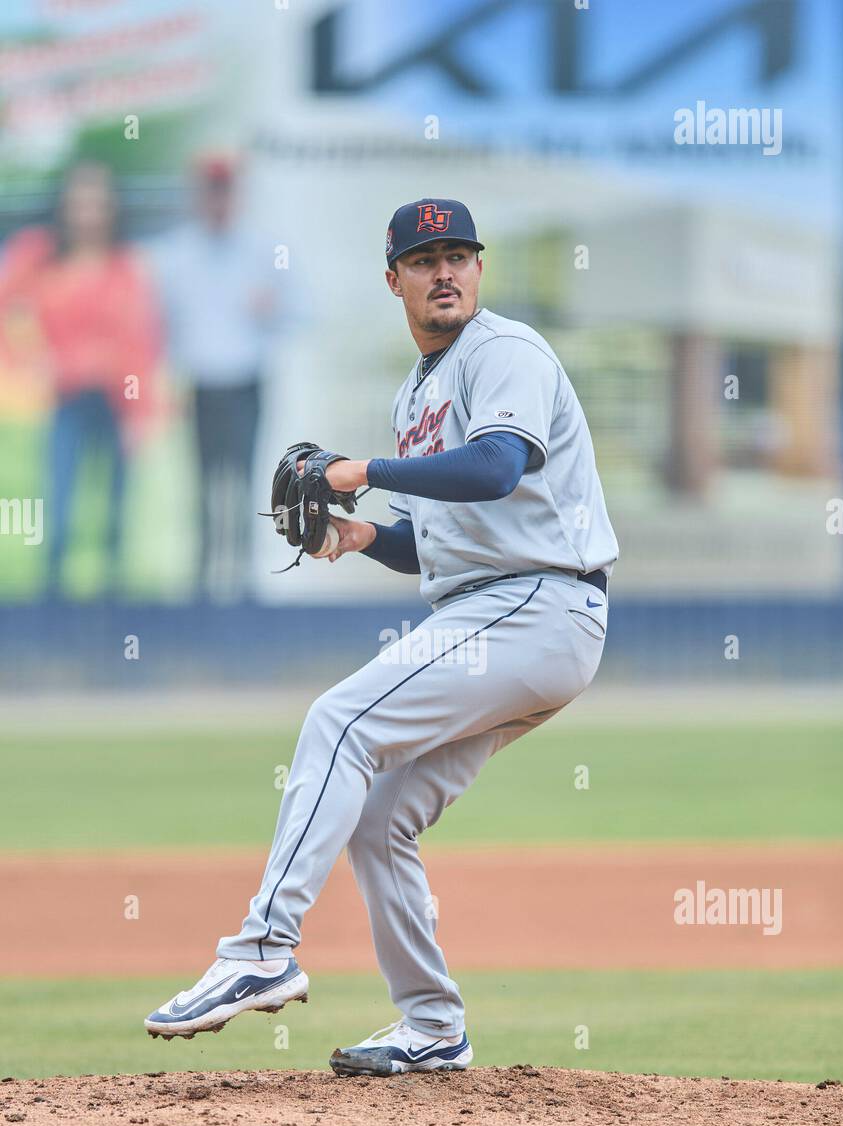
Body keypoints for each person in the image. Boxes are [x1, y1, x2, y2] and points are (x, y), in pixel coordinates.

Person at [145, 198, 619, 1076]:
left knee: (339, 723)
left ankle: (260, 950)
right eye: (424, 258)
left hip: (538, 606)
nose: (445, 271)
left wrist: (360, 470)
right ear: (393, 278)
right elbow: (437, 543)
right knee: (381, 818)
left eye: (459, 255)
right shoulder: (418, 394)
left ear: (479, 270)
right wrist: (364, 536)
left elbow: (496, 467)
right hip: (499, 613)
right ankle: (433, 1024)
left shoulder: (502, 351)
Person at [0, 162, 160, 595]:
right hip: (65, 399)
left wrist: (140, 413)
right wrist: (30, 362)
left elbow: (140, 344)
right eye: (79, 202)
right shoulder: (38, 254)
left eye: (97, 203)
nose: (88, 213)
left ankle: (109, 622)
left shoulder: (124, 266)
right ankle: (51, 614)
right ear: (64, 206)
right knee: (62, 509)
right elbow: (6, 306)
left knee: (113, 514)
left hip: (114, 400)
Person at [148, 153, 290, 600]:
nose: (218, 199)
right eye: (211, 189)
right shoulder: (174, 255)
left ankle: (245, 581)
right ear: (198, 195)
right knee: (202, 485)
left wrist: (273, 310)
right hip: (200, 384)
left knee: (246, 482)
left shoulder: (265, 251)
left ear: (237, 193)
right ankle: (202, 584)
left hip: (246, 382)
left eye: (224, 189)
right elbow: (155, 324)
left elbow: (303, 309)